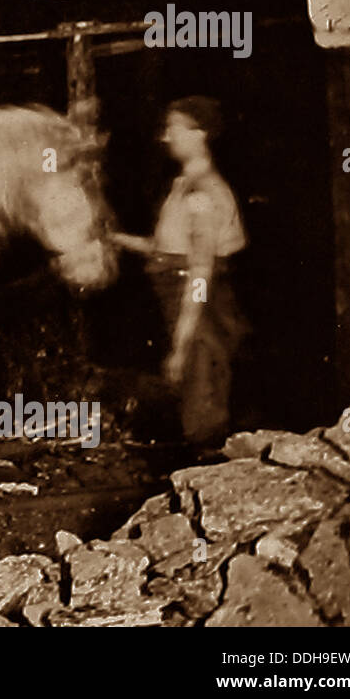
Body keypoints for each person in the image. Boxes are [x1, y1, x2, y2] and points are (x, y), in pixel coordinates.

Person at [112, 97, 248, 446]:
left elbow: (200, 271)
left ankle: (208, 473)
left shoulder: (204, 192)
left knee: (201, 397)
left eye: (173, 128)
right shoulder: (183, 185)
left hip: (198, 304)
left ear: (199, 133)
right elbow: (166, 248)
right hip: (180, 296)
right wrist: (112, 238)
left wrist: (184, 341)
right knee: (191, 392)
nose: (165, 137)